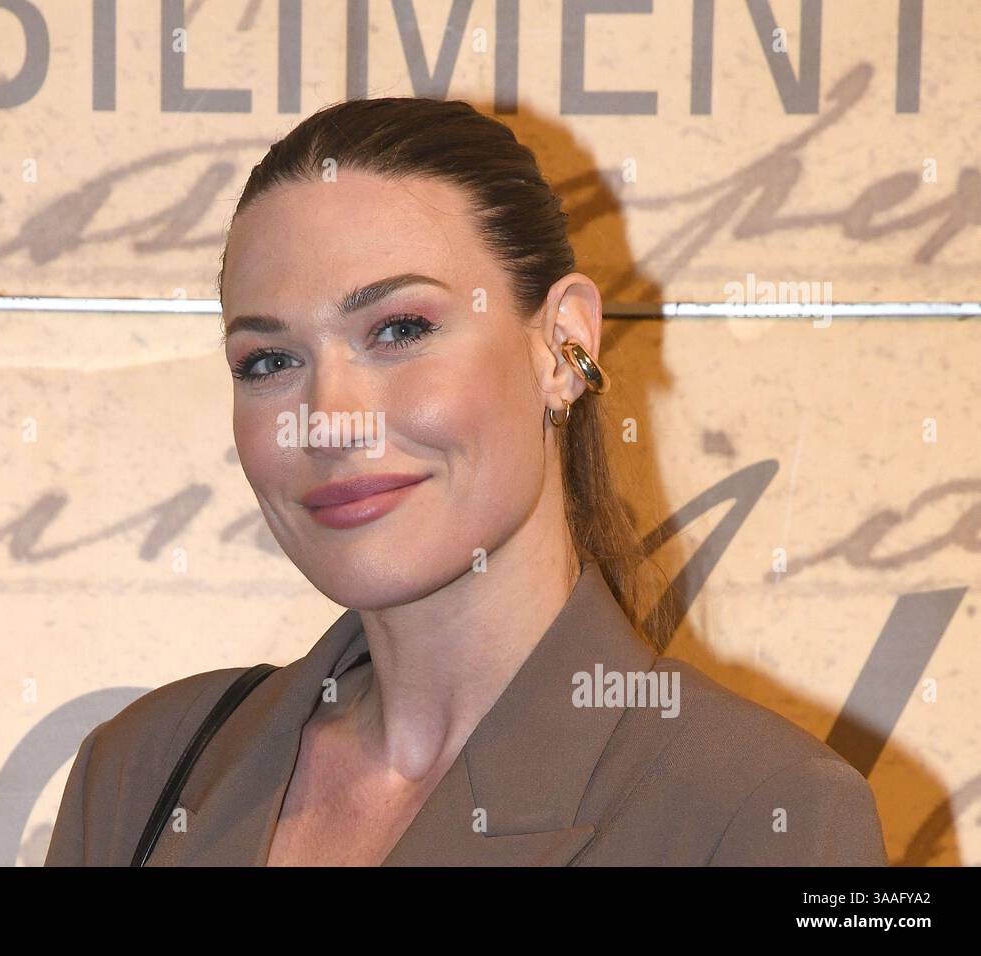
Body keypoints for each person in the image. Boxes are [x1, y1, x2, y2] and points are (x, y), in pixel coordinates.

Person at [44, 97, 889, 866]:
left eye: (400, 328)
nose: (330, 418)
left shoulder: (769, 812)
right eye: (268, 360)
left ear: (562, 346)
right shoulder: (140, 773)